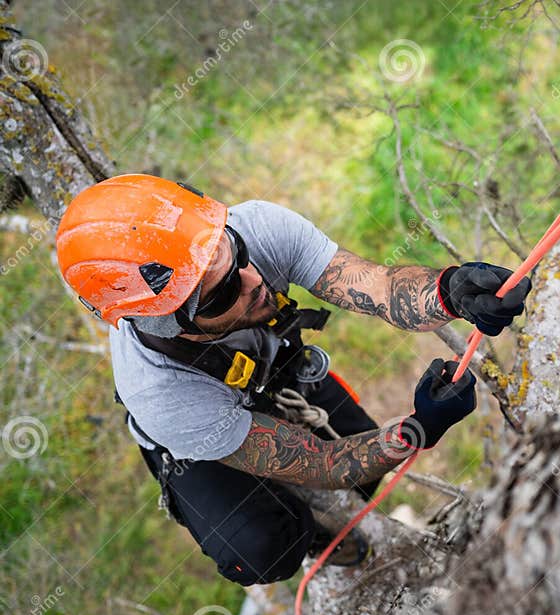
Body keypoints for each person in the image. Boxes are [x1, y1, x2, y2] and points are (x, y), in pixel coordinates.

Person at [55, 174, 532, 585]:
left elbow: (378, 288)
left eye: (234, 252)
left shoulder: (257, 227)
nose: (252, 279)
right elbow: (321, 466)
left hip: (273, 371)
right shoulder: (163, 396)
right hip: (199, 442)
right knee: (260, 548)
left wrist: (450, 291)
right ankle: (313, 540)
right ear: (168, 324)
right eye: (221, 294)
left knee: (366, 483)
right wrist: (417, 431)